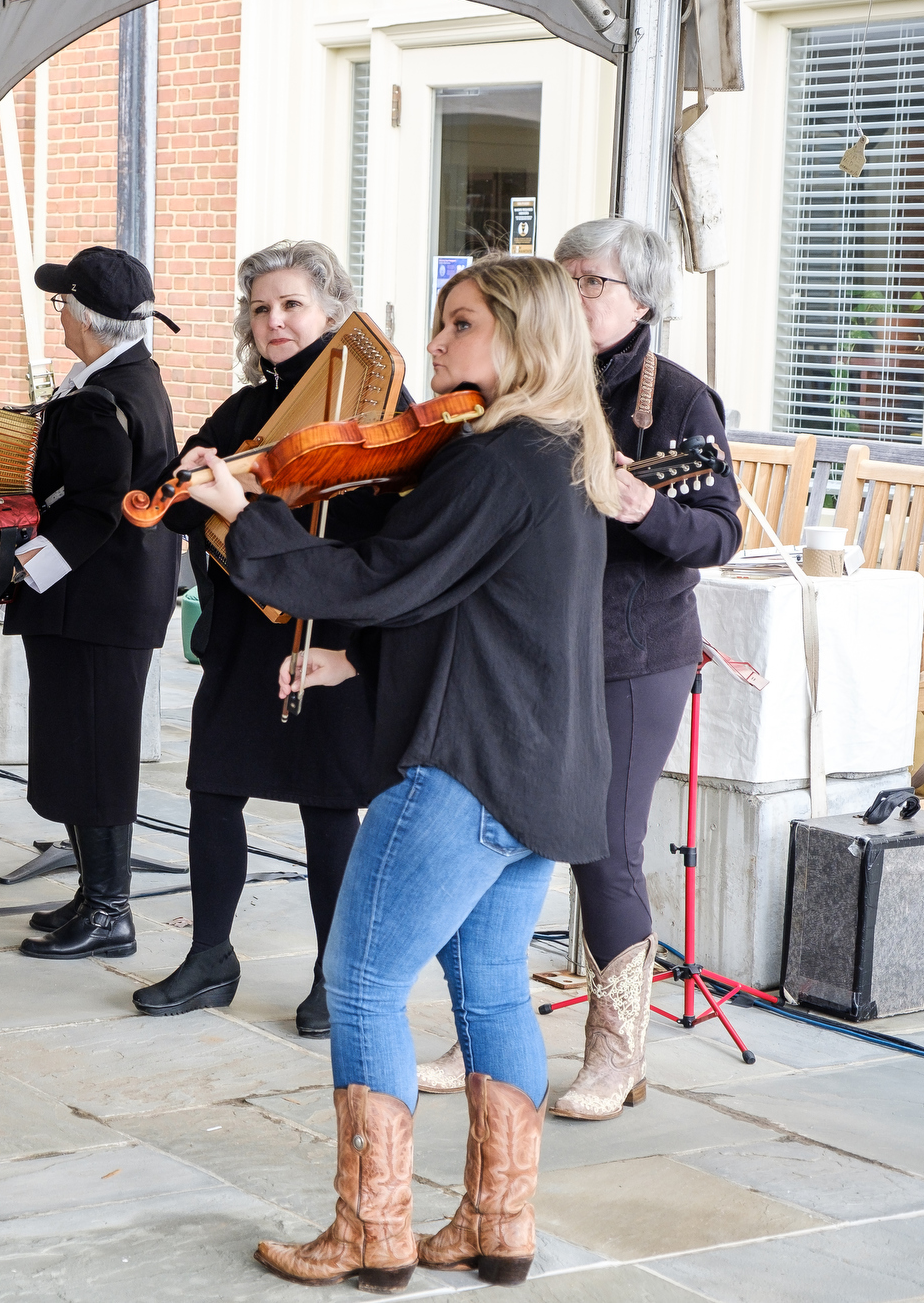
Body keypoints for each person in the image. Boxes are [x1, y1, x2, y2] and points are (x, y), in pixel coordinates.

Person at [196, 255, 618, 1291]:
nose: (435, 343)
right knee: (492, 987)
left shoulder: (499, 458)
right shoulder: (563, 451)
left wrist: (243, 513)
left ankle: (369, 1230)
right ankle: (496, 1222)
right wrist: (353, 661)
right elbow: (481, 606)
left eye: (461, 323)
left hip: (467, 766)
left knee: (360, 984)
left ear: (524, 335)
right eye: (440, 321)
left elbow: (379, 574)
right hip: (541, 767)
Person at [415, 219, 741, 1121]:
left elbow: (718, 531)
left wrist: (642, 506)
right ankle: (485, 1028)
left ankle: (616, 1050)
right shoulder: (527, 379)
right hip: (527, 647)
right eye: (563, 275)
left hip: (630, 654)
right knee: (497, 828)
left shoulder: (678, 399)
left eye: (591, 279)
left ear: (642, 300)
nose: (573, 290)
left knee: (603, 844)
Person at [133, 240, 401, 1031]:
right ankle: (209, 957)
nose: (275, 321)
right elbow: (169, 505)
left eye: (291, 305)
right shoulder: (246, 411)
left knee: (328, 803)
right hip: (248, 626)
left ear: (331, 312)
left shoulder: (374, 406)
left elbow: (383, 525)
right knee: (215, 788)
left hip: (329, 630)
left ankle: (333, 976)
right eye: (260, 309)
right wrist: (198, 481)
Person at [0, 247, 180, 961]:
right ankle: (92, 895)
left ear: (87, 317)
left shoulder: (104, 400)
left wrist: (6, 572)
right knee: (81, 750)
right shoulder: (127, 377)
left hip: (98, 608)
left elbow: (92, 513)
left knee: (97, 758)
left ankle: (111, 913)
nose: (60, 318)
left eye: (62, 306)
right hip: (100, 604)